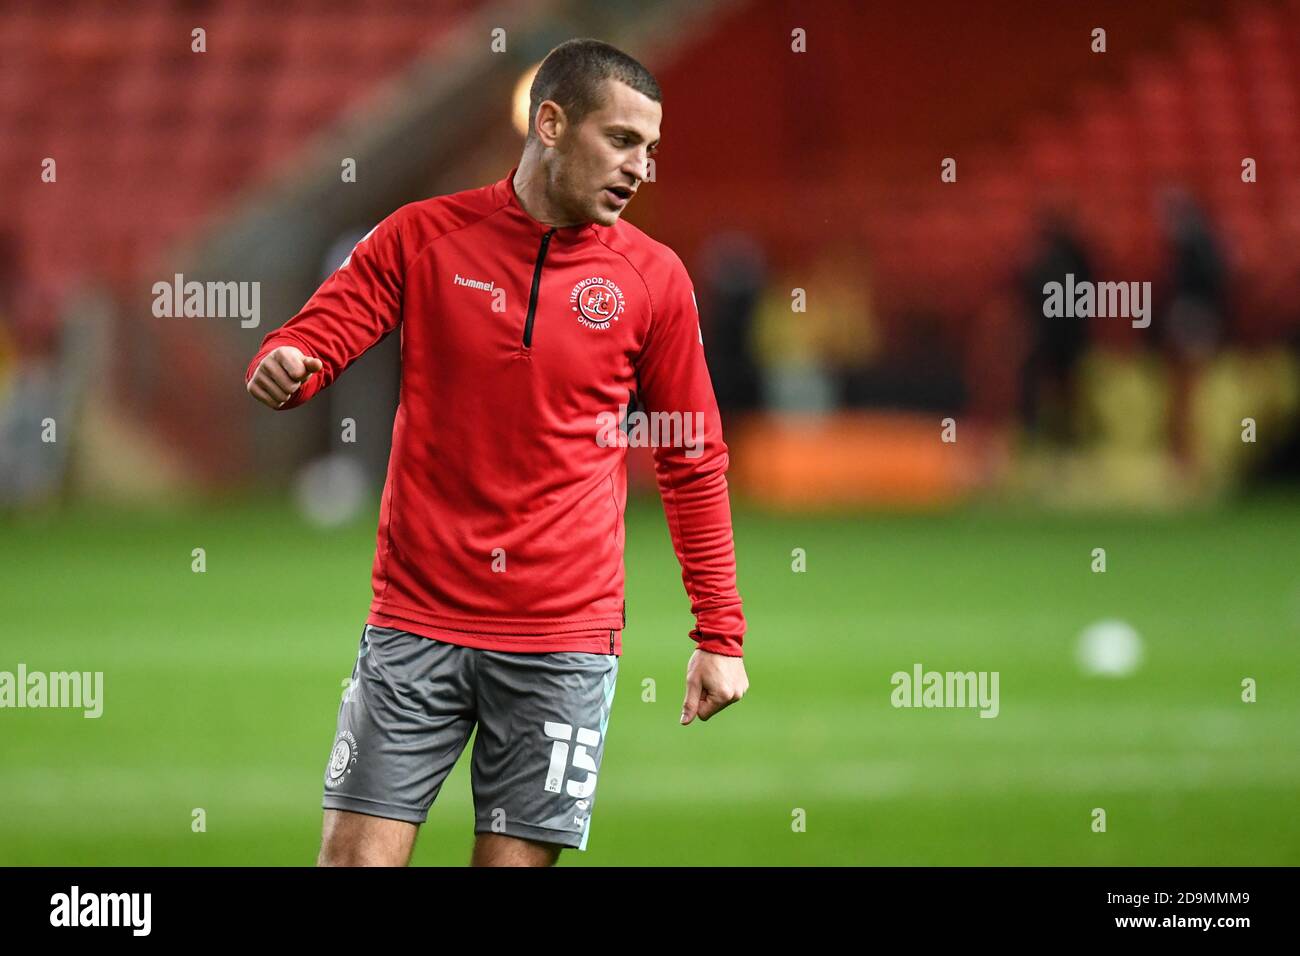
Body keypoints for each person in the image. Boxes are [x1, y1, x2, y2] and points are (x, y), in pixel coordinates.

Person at [244, 38, 749, 867]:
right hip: (416, 622)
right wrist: (288, 363)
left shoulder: (653, 281)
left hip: (563, 639)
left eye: (650, 151)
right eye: (622, 141)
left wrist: (719, 633)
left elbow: (692, 456)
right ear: (551, 122)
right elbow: (318, 334)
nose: (639, 169)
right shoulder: (424, 237)